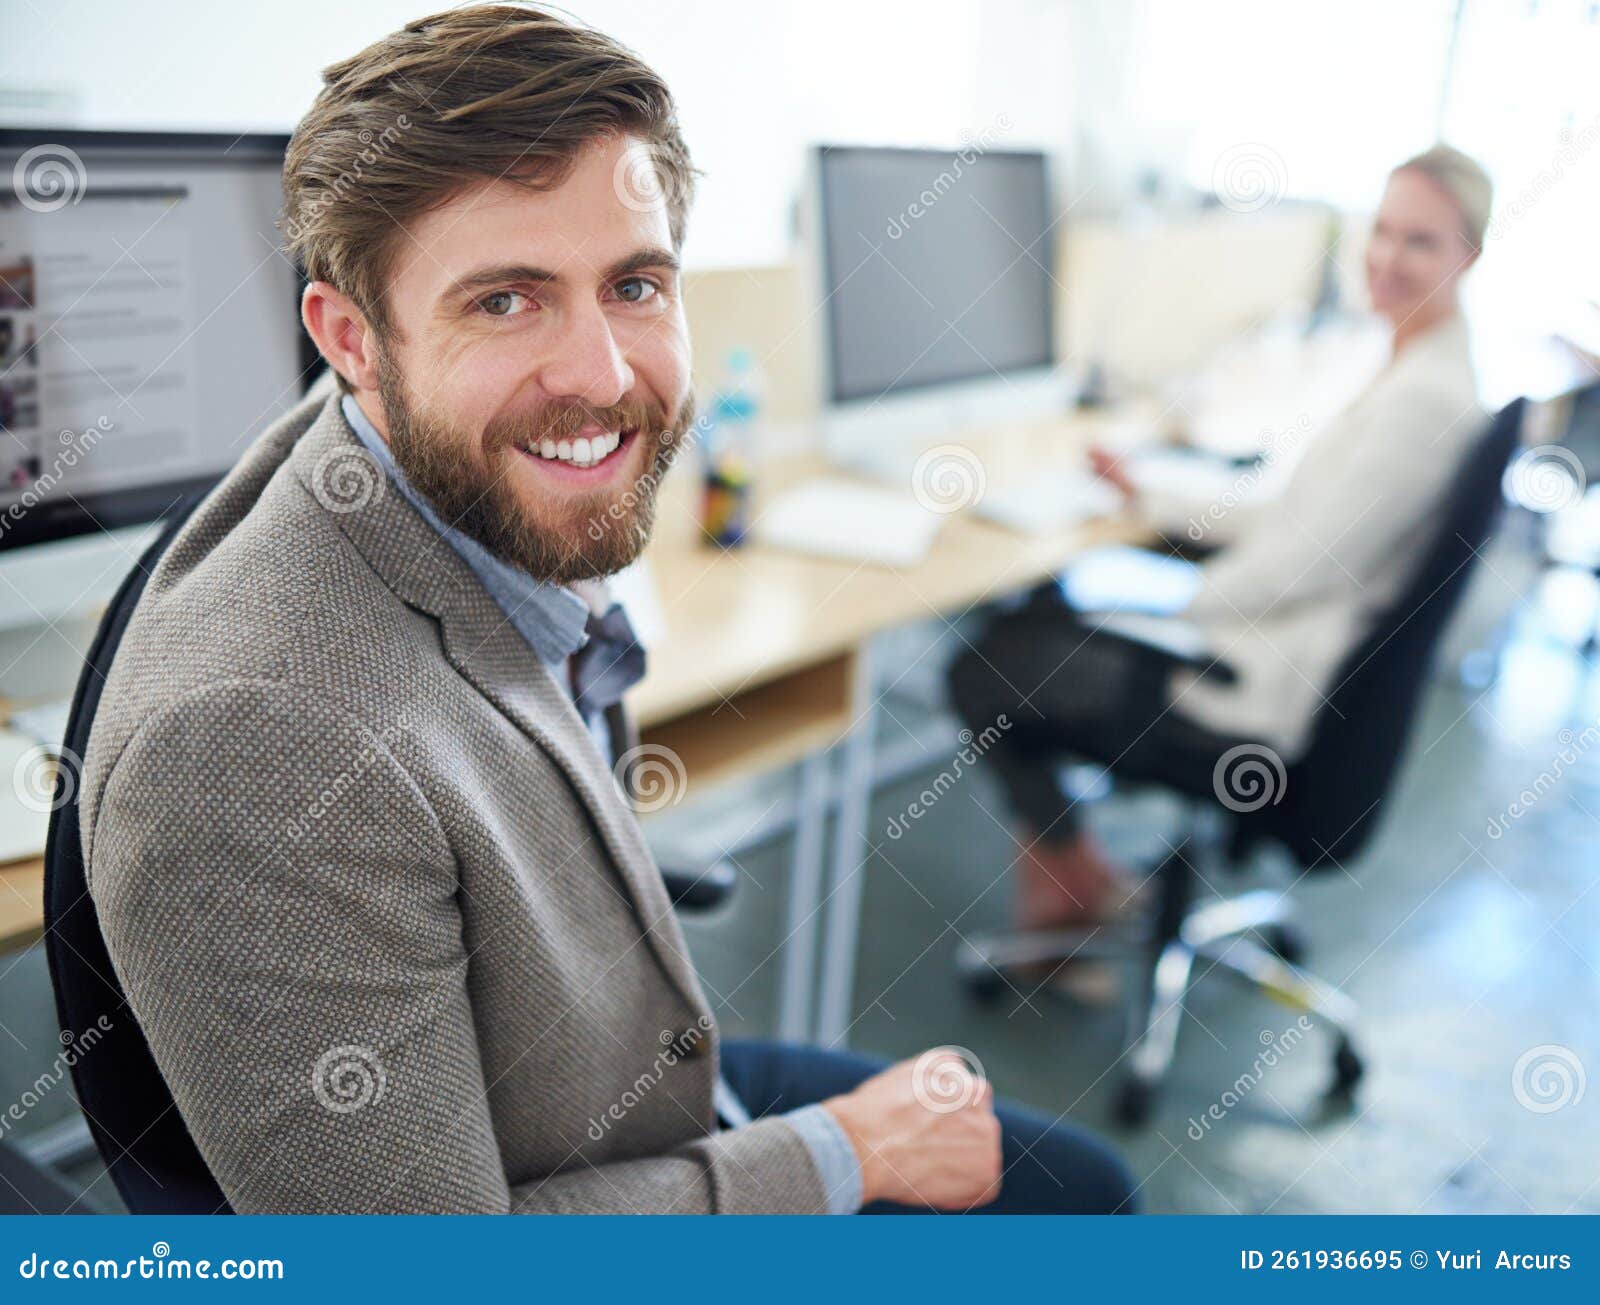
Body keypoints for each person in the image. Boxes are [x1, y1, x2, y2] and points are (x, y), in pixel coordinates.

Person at [80, 5, 1134, 1215]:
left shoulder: (461, 476)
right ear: (349, 339)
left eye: (633, 284)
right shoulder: (257, 750)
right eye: (504, 302)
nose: (602, 375)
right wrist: (849, 1156)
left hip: (625, 1097)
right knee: (1086, 1205)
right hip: (575, 1188)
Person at [950, 144, 1491, 931]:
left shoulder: (1426, 401)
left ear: (1468, 254)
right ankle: (1073, 880)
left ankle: (1069, 886)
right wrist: (1150, 487)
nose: (1388, 257)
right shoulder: (1414, 363)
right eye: (1383, 230)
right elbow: (1292, 511)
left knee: (987, 667)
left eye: (1421, 241)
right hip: (1272, 643)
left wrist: (1165, 608)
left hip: (1255, 686)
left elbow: (1301, 563)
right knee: (1039, 619)